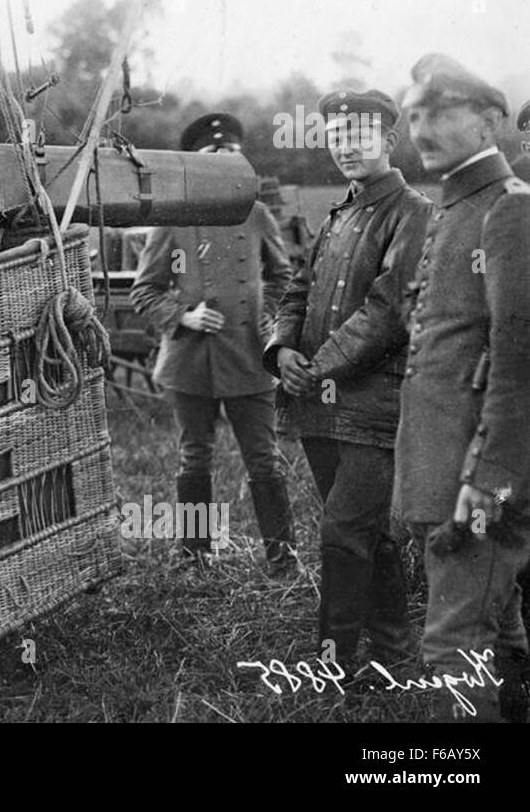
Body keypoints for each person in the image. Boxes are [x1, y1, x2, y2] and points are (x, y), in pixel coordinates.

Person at [263, 90, 430, 672]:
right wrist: (281, 347)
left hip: (373, 405)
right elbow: (298, 292)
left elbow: (388, 312)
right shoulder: (336, 215)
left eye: (360, 135)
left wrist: (316, 366)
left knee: (340, 532)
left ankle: (331, 662)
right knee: (368, 534)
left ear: (388, 139)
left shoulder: (413, 212)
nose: (348, 147)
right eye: (337, 137)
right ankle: (391, 650)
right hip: (319, 403)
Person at [395, 53, 530, 722]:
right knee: (495, 620)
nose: (422, 126)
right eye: (414, 113)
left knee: (453, 644)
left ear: (490, 121)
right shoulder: (456, 207)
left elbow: (518, 361)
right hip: (444, 464)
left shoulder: (508, 211)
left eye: (442, 111)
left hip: (480, 479)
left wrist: (490, 480)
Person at [130, 112, 296, 571]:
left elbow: (284, 277)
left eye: (231, 153)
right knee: (194, 455)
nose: (223, 160)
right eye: (211, 154)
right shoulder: (173, 216)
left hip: (249, 355)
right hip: (191, 360)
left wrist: (266, 318)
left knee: (264, 458)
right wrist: (184, 315)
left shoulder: (258, 214)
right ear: (195, 163)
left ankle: (284, 557)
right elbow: (144, 289)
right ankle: (194, 554)